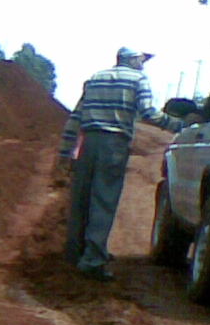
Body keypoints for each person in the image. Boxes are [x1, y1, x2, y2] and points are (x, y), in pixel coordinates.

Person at [59, 46, 178, 281]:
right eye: (141, 59)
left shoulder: (95, 78)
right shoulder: (138, 80)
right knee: (103, 201)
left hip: (89, 143)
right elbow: (148, 113)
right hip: (113, 144)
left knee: (81, 198)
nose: (143, 64)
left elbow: (76, 116)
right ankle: (93, 261)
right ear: (132, 60)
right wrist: (178, 124)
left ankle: (74, 252)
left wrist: (65, 151)